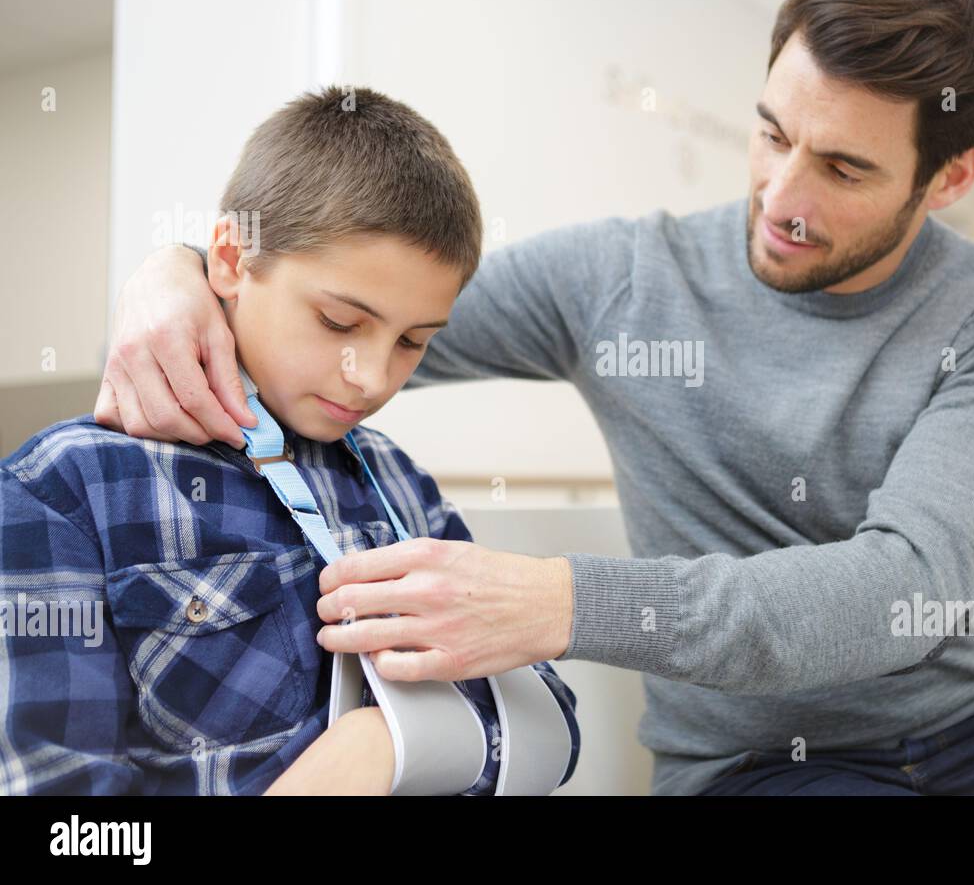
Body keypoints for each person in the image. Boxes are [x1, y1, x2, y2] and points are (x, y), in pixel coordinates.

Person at [94, 0, 974, 794]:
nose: (779, 194)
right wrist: (179, 268)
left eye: (842, 166)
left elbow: (902, 591)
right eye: (770, 133)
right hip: (757, 768)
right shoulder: (619, 279)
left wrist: (563, 598)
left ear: (952, 176)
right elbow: (355, 322)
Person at [0, 86, 579, 795]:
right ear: (231, 262)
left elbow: (550, 720)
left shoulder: (398, 485)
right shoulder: (68, 488)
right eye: (339, 323)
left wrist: (386, 746)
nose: (370, 379)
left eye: (414, 342)